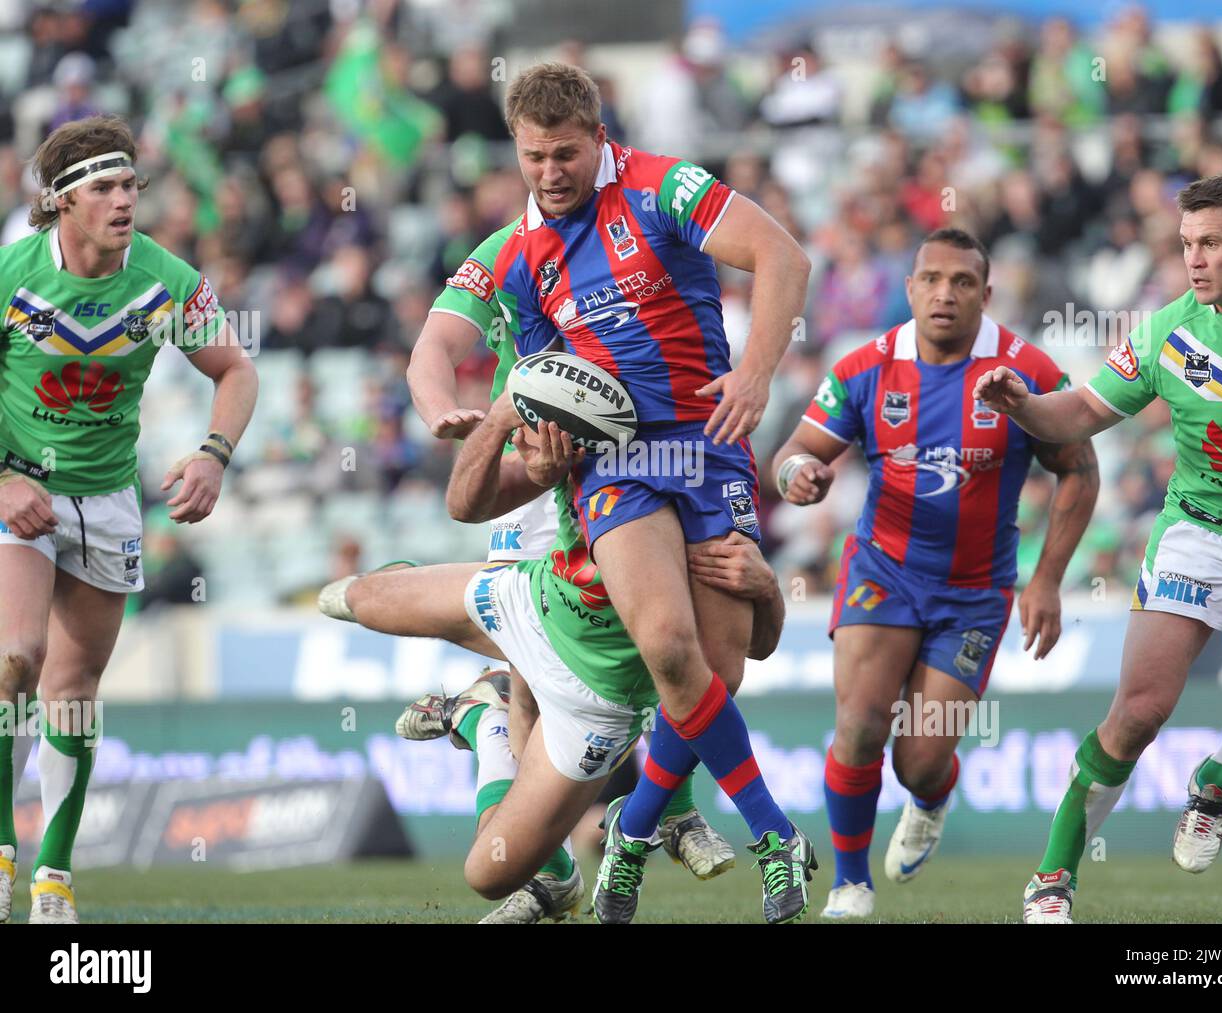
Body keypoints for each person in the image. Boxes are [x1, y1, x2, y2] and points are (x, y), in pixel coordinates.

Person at [486, 61, 814, 924]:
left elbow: (783, 255)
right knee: (670, 649)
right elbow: (532, 381)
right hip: (618, 462)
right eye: (533, 157)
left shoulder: (665, 187)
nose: (550, 172)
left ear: (600, 138)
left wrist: (755, 370)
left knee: (719, 671)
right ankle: (776, 837)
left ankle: (628, 840)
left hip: (709, 443)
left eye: (565, 153)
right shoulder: (522, 258)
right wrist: (541, 448)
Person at [974, 169, 1222, 924]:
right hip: (1196, 539)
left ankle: (1215, 782)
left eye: (1211, 243)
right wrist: (1022, 405)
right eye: (1186, 243)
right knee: (1140, 711)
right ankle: (1052, 878)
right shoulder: (1165, 332)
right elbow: (1079, 414)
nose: (1193, 259)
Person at [319, 395, 783, 921]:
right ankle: (663, 818)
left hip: (594, 707)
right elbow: (465, 503)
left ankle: (480, 721)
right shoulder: (586, 443)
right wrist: (504, 431)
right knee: (354, 598)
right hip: (531, 602)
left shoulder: (711, 480)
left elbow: (752, 651)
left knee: (486, 874)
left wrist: (767, 588)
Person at [772, 228, 1098, 918]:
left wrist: (1046, 581)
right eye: (931, 279)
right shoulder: (864, 367)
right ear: (910, 287)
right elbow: (794, 451)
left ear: (986, 293)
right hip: (882, 572)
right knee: (859, 724)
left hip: (976, 592)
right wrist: (800, 474)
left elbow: (1078, 468)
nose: (944, 293)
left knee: (916, 758)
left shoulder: (1025, 370)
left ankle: (930, 793)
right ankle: (850, 884)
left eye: (961, 282)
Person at [0, 116, 258, 923]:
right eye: (104, 188)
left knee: (72, 689)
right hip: (17, 493)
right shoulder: (11, 273)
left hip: (109, 496)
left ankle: (54, 877)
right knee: (16, 659)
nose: (123, 201)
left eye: (129, 186)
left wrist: (214, 452)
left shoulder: (165, 280)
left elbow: (235, 368)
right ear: (60, 203)